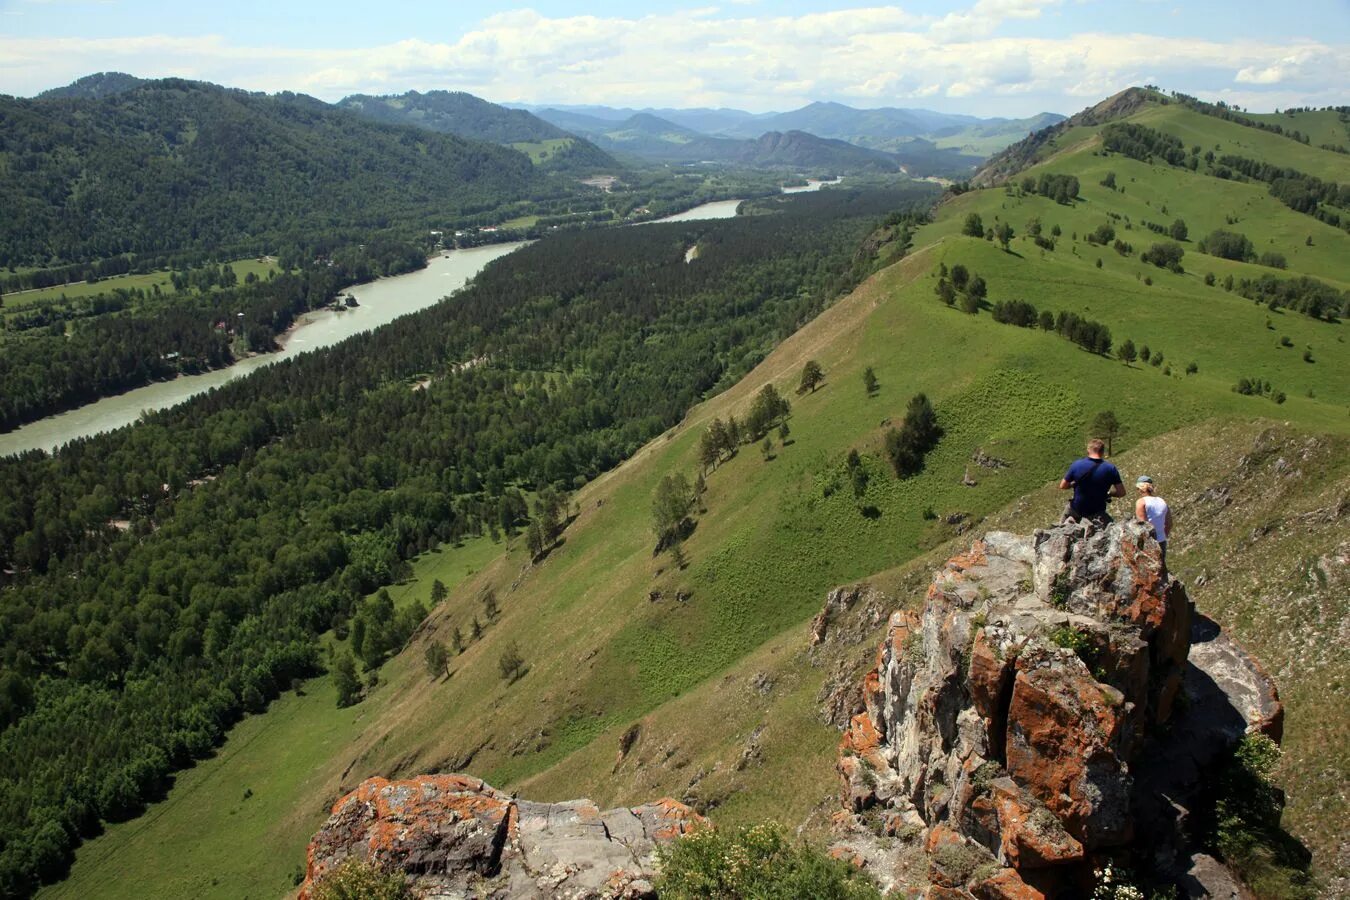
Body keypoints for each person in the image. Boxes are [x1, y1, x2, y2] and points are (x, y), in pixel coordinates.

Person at [1059, 438, 1125, 524]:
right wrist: (1110, 493)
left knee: (1061, 525)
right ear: (1102, 451)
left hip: (1076, 509)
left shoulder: (1077, 465)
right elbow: (1121, 492)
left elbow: (1062, 486)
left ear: (1088, 450)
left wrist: (1073, 484)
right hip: (1097, 512)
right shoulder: (1110, 469)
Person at [1134, 475, 1172, 567]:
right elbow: (1169, 523)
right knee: (1161, 567)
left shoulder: (1141, 502)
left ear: (1140, 488)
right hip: (1162, 540)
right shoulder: (1161, 501)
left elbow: (1142, 526)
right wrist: (1162, 535)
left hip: (1149, 543)